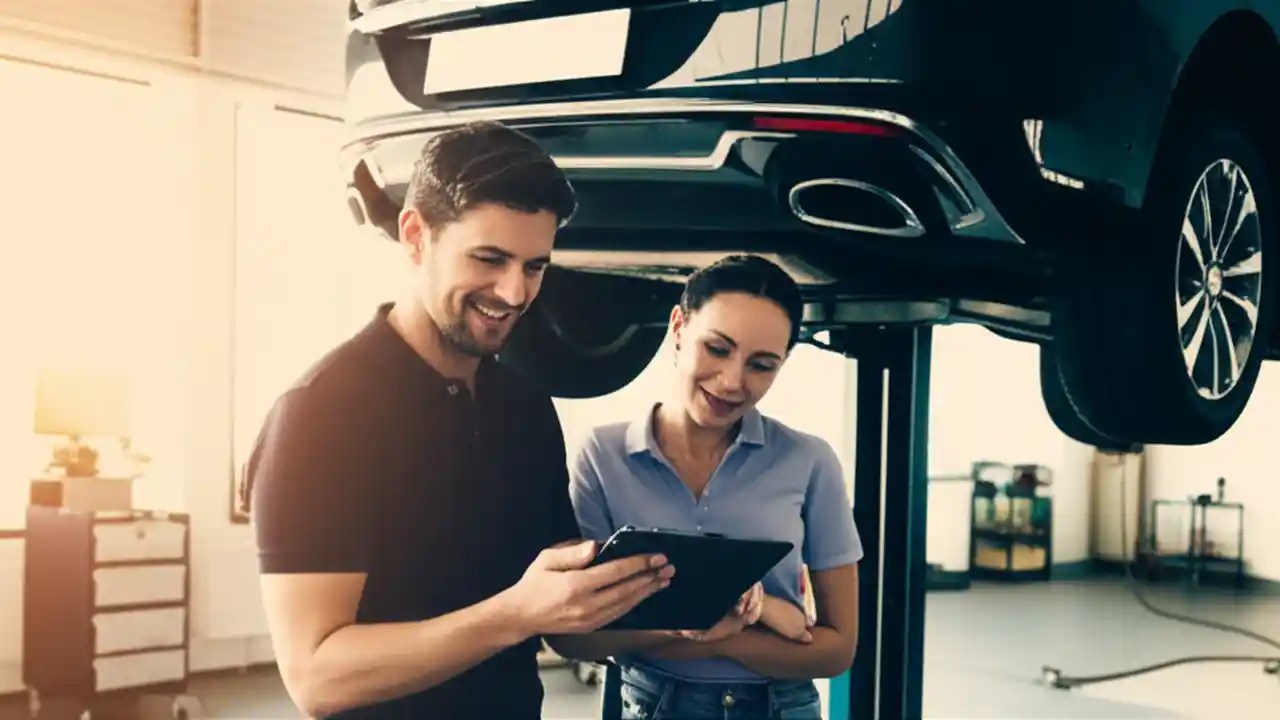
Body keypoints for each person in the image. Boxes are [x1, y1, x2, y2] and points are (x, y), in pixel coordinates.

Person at [245, 121, 674, 720]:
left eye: (535, 266)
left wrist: (681, 619)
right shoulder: (319, 414)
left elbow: (564, 628)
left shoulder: (526, 407)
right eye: (489, 258)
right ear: (416, 235)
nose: (515, 291)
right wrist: (515, 614)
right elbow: (317, 676)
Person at [556, 255, 864, 719]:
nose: (731, 382)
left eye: (762, 365)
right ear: (678, 327)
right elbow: (574, 636)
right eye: (717, 349)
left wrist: (712, 632)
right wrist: (724, 625)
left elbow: (837, 650)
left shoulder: (809, 460)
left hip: (779, 707)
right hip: (651, 704)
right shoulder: (604, 454)